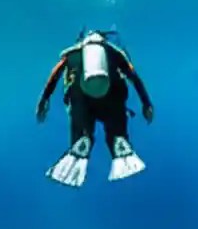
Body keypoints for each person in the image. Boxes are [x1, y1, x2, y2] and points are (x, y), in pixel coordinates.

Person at [36, 29, 154, 186]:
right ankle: (118, 140)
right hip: (112, 100)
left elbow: (54, 75)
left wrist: (44, 100)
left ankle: (82, 138)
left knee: (81, 117)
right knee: (115, 119)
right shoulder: (114, 53)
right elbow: (133, 76)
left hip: (82, 102)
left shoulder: (72, 54)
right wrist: (146, 103)